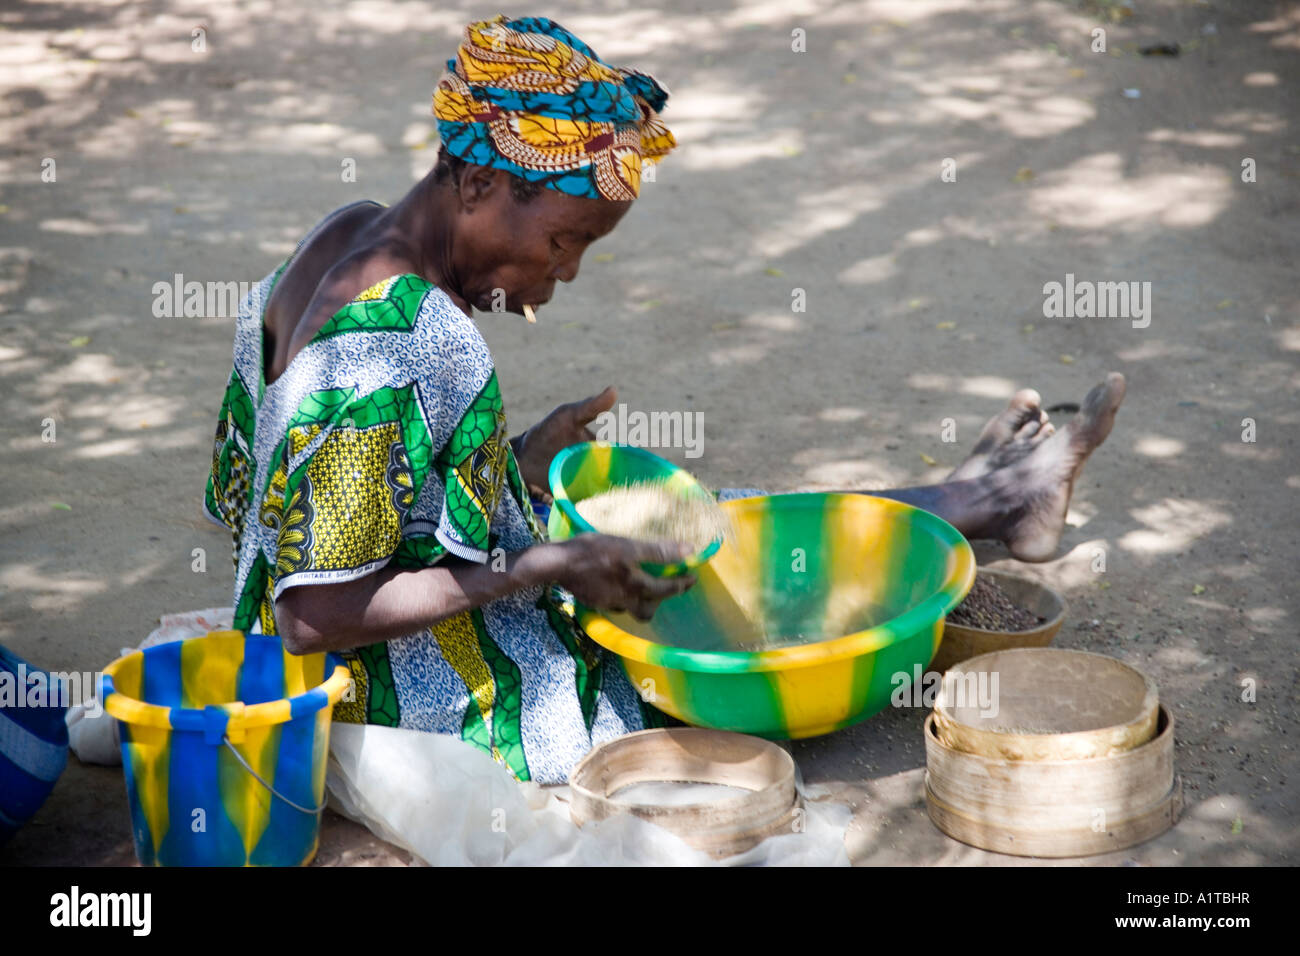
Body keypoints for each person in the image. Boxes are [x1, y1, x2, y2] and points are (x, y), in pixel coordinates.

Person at [205, 15, 1125, 785]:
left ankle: (982, 498)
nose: (560, 277)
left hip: (331, 615)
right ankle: (990, 498)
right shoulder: (405, 335)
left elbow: (282, 489)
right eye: (564, 240)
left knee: (682, 533)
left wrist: (515, 456)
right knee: (711, 593)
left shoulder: (345, 233)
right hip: (391, 695)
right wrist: (543, 566)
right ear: (482, 181)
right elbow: (313, 618)